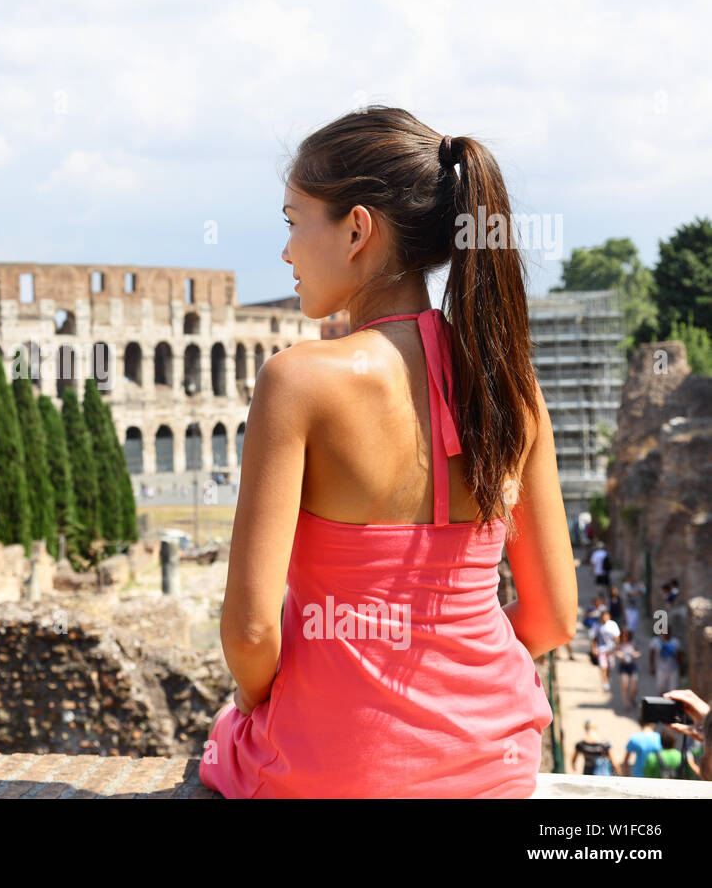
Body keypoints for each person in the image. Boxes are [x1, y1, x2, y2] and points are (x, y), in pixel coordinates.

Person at [198, 108, 575, 799]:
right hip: (497, 760)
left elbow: (250, 633)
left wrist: (267, 706)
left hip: (332, 768)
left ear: (357, 229)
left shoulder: (298, 381)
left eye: (291, 221)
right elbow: (552, 618)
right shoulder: (512, 391)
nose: (285, 253)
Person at [613, 629, 641, 708]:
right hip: (623, 666)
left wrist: (635, 654)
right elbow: (615, 652)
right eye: (624, 635)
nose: (625, 637)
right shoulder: (619, 644)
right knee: (624, 686)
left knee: (634, 687)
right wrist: (619, 654)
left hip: (632, 666)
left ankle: (631, 698)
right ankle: (626, 703)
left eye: (626, 635)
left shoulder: (633, 643)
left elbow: (638, 652)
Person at [592, 610, 620, 690]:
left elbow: (617, 637)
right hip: (602, 649)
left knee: (610, 667)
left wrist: (615, 648)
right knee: (603, 666)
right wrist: (594, 648)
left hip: (611, 649)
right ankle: (605, 682)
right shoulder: (597, 625)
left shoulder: (613, 625)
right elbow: (594, 638)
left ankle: (607, 678)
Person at [650, 631, 683, 695]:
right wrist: (652, 667)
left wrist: (681, 667)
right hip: (661, 669)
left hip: (673, 669)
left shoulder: (675, 642)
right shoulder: (656, 642)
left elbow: (679, 656)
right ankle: (662, 702)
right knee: (661, 688)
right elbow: (652, 655)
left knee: (674, 689)